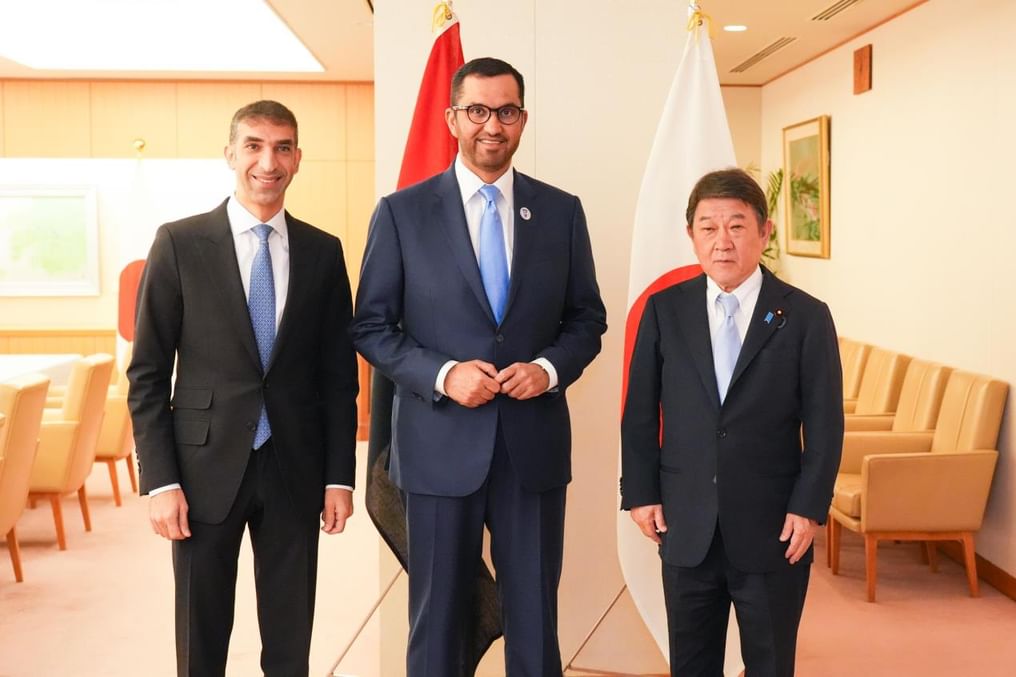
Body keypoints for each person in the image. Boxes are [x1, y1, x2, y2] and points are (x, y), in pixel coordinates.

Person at [352, 57, 607, 676]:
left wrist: (548, 368)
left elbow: (586, 320)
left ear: (523, 120)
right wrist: (443, 375)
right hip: (438, 450)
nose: (493, 125)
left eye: (507, 111)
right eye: (478, 110)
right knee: (439, 619)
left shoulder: (561, 212)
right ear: (453, 118)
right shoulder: (402, 213)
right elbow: (371, 327)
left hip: (533, 449)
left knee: (535, 621)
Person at [127, 100, 359, 677]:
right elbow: (148, 373)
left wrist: (338, 476)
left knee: (290, 636)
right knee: (200, 634)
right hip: (201, 471)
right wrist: (160, 480)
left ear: (298, 159)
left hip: (295, 469)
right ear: (230, 153)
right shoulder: (178, 243)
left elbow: (338, 376)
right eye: (254, 145)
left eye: (282, 147)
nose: (268, 160)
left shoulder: (323, 251)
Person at [621, 168, 843, 677]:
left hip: (774, 529)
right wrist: (640, 493)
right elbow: (639, 412)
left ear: (764, 233)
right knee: (691, 665)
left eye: (737, 226)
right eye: (709, 227)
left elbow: (826, 424)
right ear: (692, 236)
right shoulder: (664, 311)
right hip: (684, 523)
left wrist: (808, 509)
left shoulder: (805, 316)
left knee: (769, 664)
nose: (723, 242)